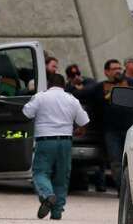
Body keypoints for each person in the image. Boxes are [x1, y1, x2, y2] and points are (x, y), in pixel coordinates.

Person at [23, 72, 90, 220]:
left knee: (40, 173)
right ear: (64, 85)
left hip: (45, 140)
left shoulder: (41, 97)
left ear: (48, 84)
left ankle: (47, 195)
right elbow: (84, 121)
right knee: (61, 177)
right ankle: (57, 212)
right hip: (65, 141)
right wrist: (79, 130)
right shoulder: (72, 99)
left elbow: (27, 112)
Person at [79, 58, 133, 190]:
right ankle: (123, 190)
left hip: (131, 130)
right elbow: (81, 95)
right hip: (111, 131)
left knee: (132, 162)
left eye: (119, 68)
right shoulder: (99, 88)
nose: (118, 71)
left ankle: (132, 190)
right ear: (106, 72)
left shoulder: (132, 84)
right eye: (114, 69)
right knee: (116, 162)